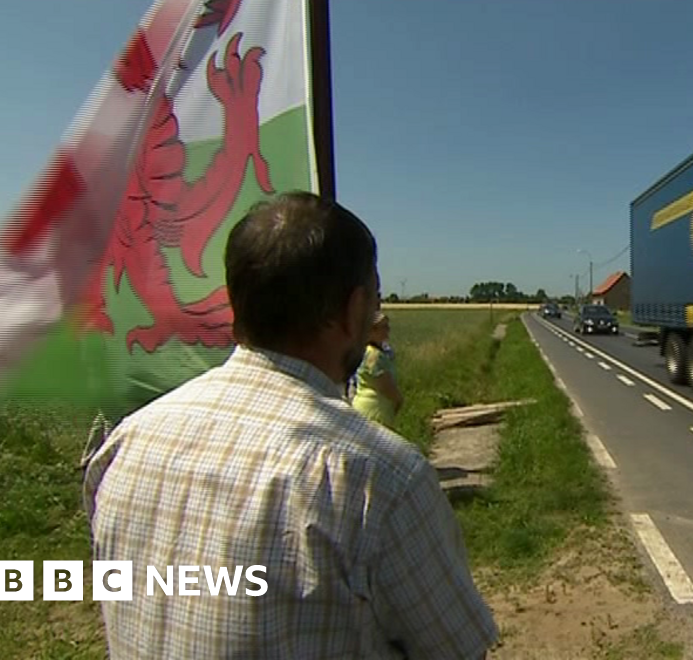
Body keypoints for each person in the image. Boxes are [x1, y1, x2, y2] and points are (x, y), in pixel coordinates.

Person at [82, 191, 498, 660]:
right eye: (374, 299)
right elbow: (457, 651)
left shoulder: (127, 440)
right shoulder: (381, 480)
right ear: (351, 309)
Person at [352, 311, 403, 428]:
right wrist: (399, 400)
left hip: (374, 409)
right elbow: (386, 386)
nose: (388, 330)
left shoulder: (372, 351)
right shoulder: (374, 355)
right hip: (373, 410)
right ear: (372, 331)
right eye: (384, 327)